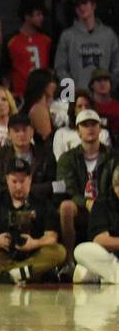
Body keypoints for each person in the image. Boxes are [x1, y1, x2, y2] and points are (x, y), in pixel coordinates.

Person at [0, 158, 67, 283]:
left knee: (59, 252)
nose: (18, 186)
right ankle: (25, 274)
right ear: (7, 180)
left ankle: (8, 274)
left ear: (30, 180)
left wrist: (35, 243)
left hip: (33, 254)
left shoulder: (43, 204)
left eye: (22, 181)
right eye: (14, 181)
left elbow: (52, 237)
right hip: (2, 254)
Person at [55, 108, 114, 268]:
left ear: (100, 128)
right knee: (65, 206)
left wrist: (100, 204)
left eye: (94, 124)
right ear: (78, 130)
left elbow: (114, 186)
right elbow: (68, 188)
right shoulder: (67, 158)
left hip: (106, 206)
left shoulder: (112, 157)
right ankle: (68, 261)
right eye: (85, 125)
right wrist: (87, 202)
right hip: (80, 207)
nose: (90, 128)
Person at [73, 165, 119, 283]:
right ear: (116, 188)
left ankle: (100, 275)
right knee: (82, 250)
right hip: (111, 257)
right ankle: (112, 274)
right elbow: (100, 239)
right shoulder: (102, 204)